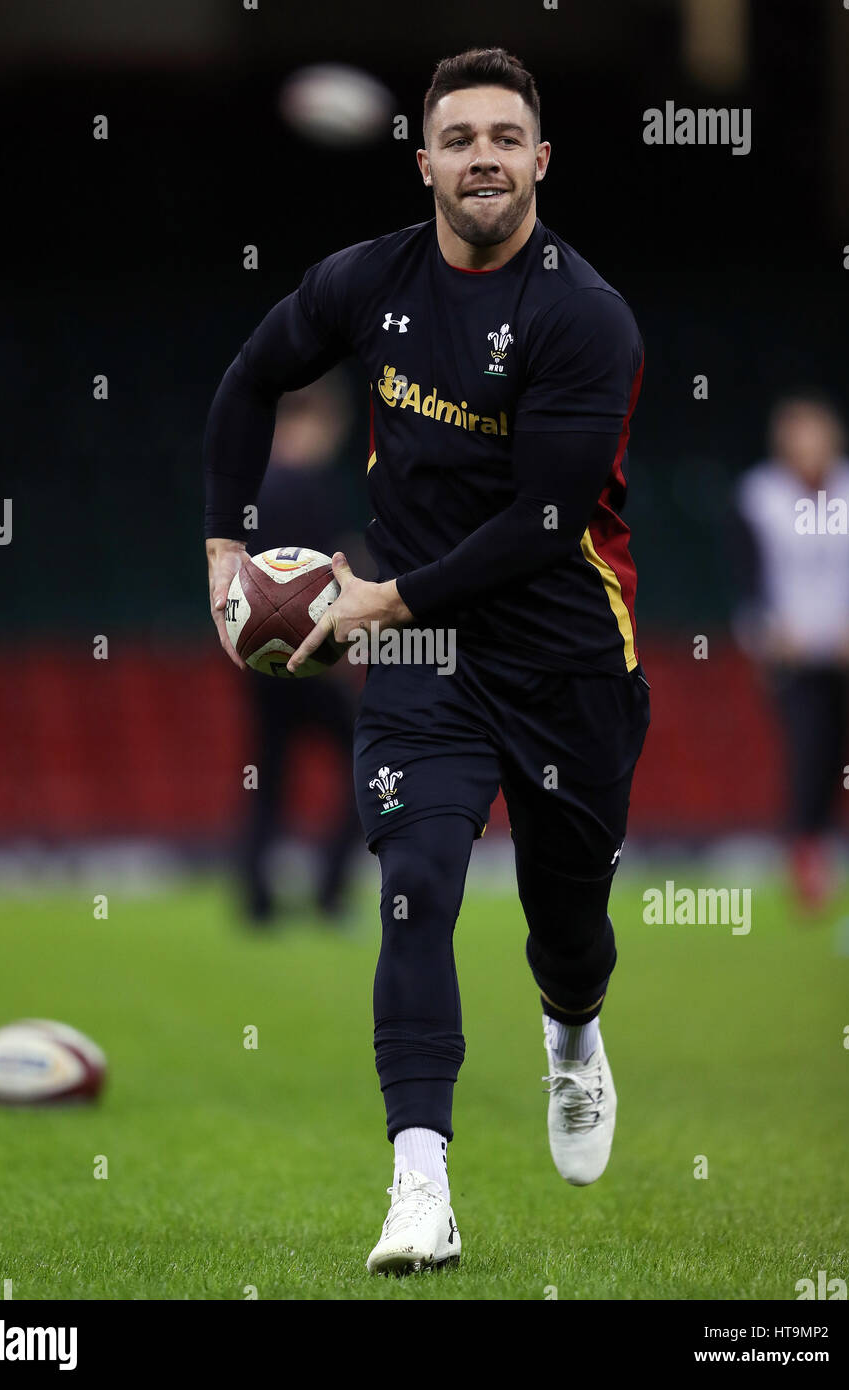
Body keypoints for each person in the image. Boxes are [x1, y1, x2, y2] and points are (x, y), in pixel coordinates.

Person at [204, 47, 650, 1275]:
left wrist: (376, 596)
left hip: (564, 658)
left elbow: (545, 524)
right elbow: (249, 381)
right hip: (423, 661)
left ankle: (571, 1034)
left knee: (570, 935)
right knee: (416, 887)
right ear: (425, 163)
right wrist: (221, 552)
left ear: (540, 160)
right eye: (459, 139)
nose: (483, 158)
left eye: (505, 137)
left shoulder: (583, 314)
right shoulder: (367, 280)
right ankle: (419, 1186)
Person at [733, 395, 849, 911]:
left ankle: (824, 843)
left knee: (843, 749)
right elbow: (747, 576)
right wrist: (768, 631)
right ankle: (805, 853)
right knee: (807, 746)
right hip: (791, 652)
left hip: (845, 649)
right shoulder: (761, 494)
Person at [237, 374, 363, 924]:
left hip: (259, 659)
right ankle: (331, 893)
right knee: (368, 765)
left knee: (268, 777)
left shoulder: (252, 487)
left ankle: (258, 903)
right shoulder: (309, 486)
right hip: (309, 659)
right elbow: (331, 580)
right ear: (321, 420)